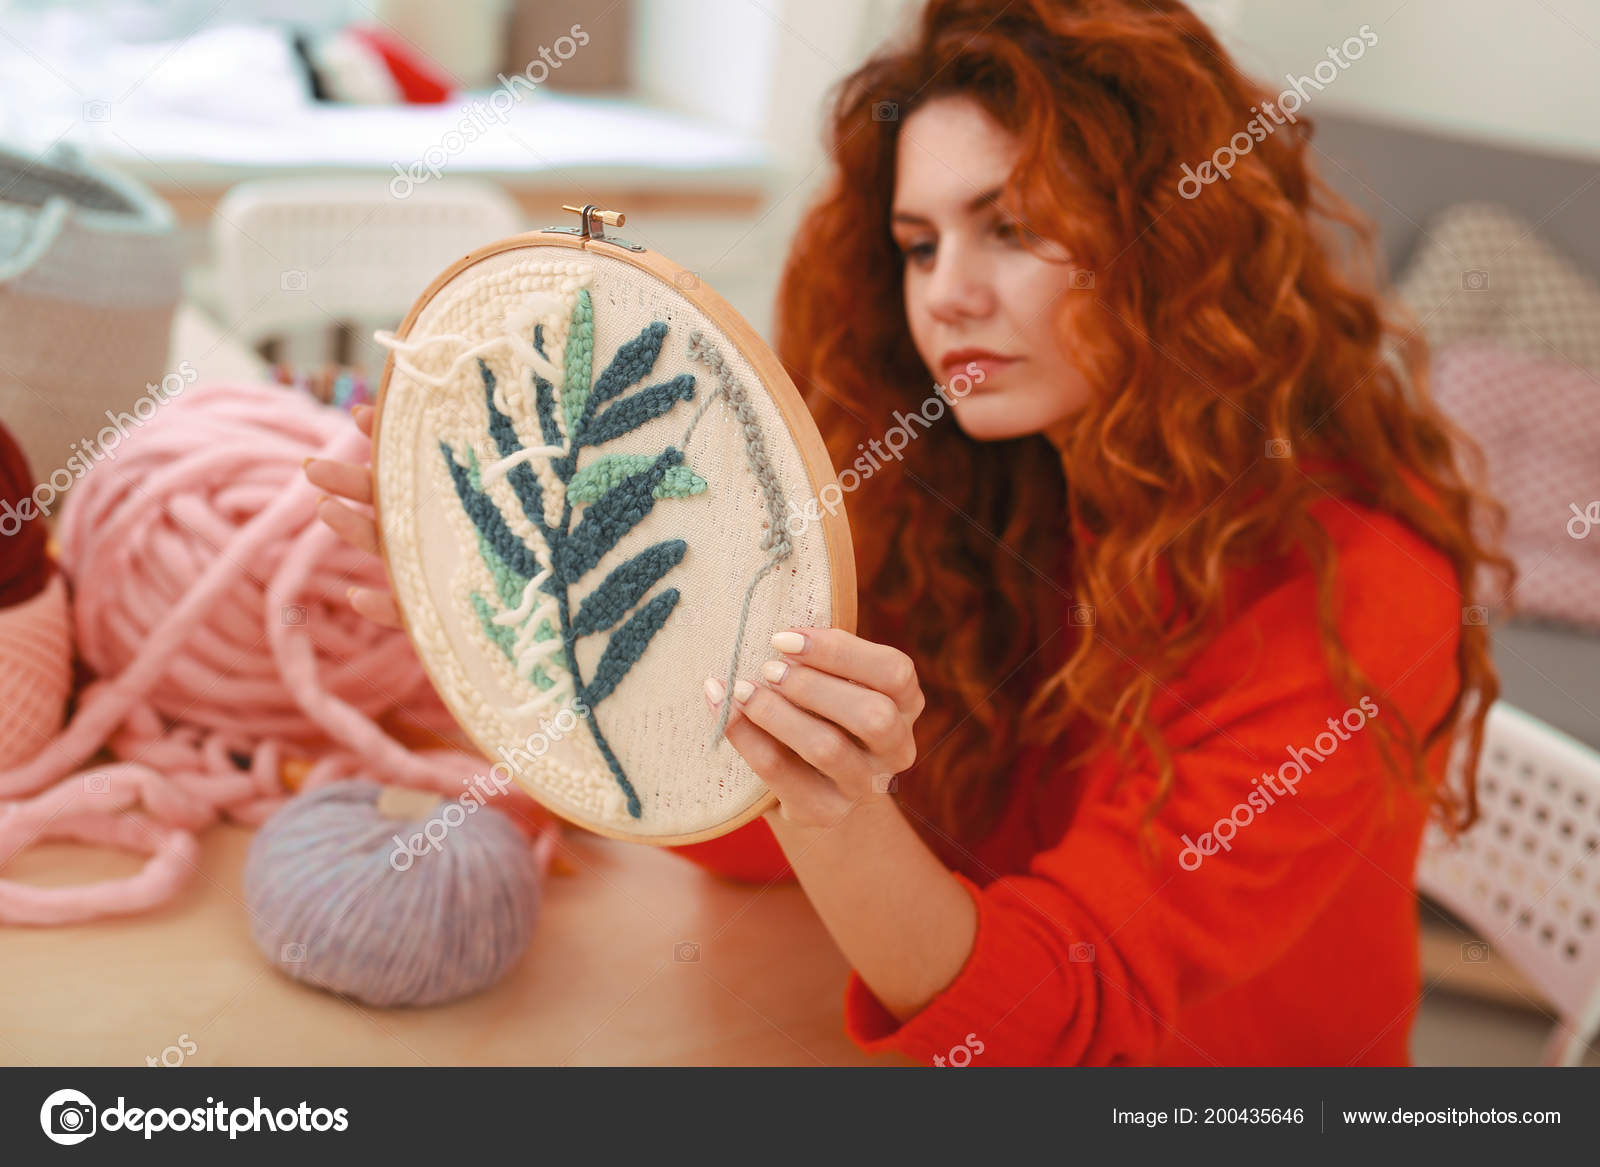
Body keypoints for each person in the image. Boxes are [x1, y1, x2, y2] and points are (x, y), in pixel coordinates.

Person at [306, 0, 1512, 1066]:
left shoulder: (1356, 598)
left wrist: (834, 808)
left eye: (1013, 227)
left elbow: (1054, 1019)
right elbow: (756, 823)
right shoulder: (994, 493)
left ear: (1176, 237)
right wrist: (519, 624)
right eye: (919, 244)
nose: (945, 294)